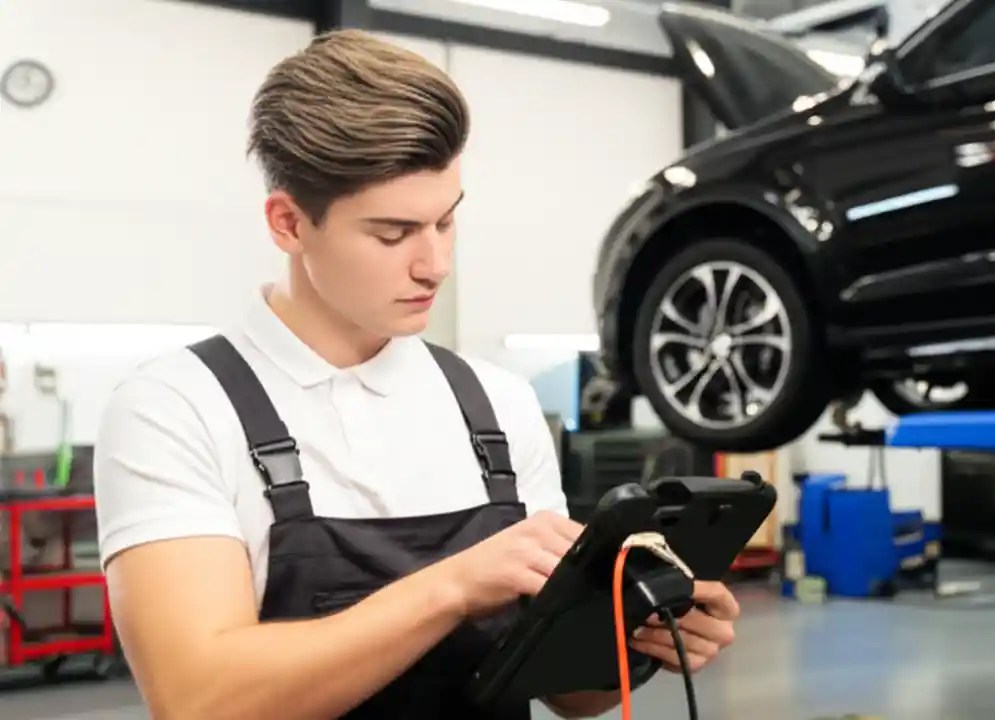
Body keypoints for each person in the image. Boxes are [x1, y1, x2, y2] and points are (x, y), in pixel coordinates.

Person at [93, 29, 739, 719]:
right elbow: (202, 700)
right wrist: (453, 586)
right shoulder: (175, 409)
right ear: (288, 223)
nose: (434, 265)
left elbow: (568, 695)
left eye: (446, 223)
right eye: (393, 234)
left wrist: (639, 638)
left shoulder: (497, 406)